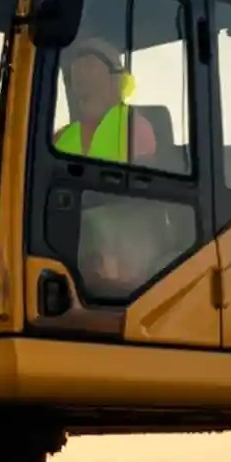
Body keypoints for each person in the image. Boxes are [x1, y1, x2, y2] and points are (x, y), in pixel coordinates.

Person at [54, 35, 164, 294]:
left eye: (90, 70)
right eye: (76, 76)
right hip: (73, 242)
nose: (81, 83)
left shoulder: (135, 127)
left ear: (116, 82)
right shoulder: (60, 138)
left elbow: (139, 196)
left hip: (123, 252)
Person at [54, 35, 156, 165]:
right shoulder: (60, 137)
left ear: (114, 75)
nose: (78, 69)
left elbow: (141, 181)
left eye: (89, 63)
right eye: (75, 63)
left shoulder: (134, 128)